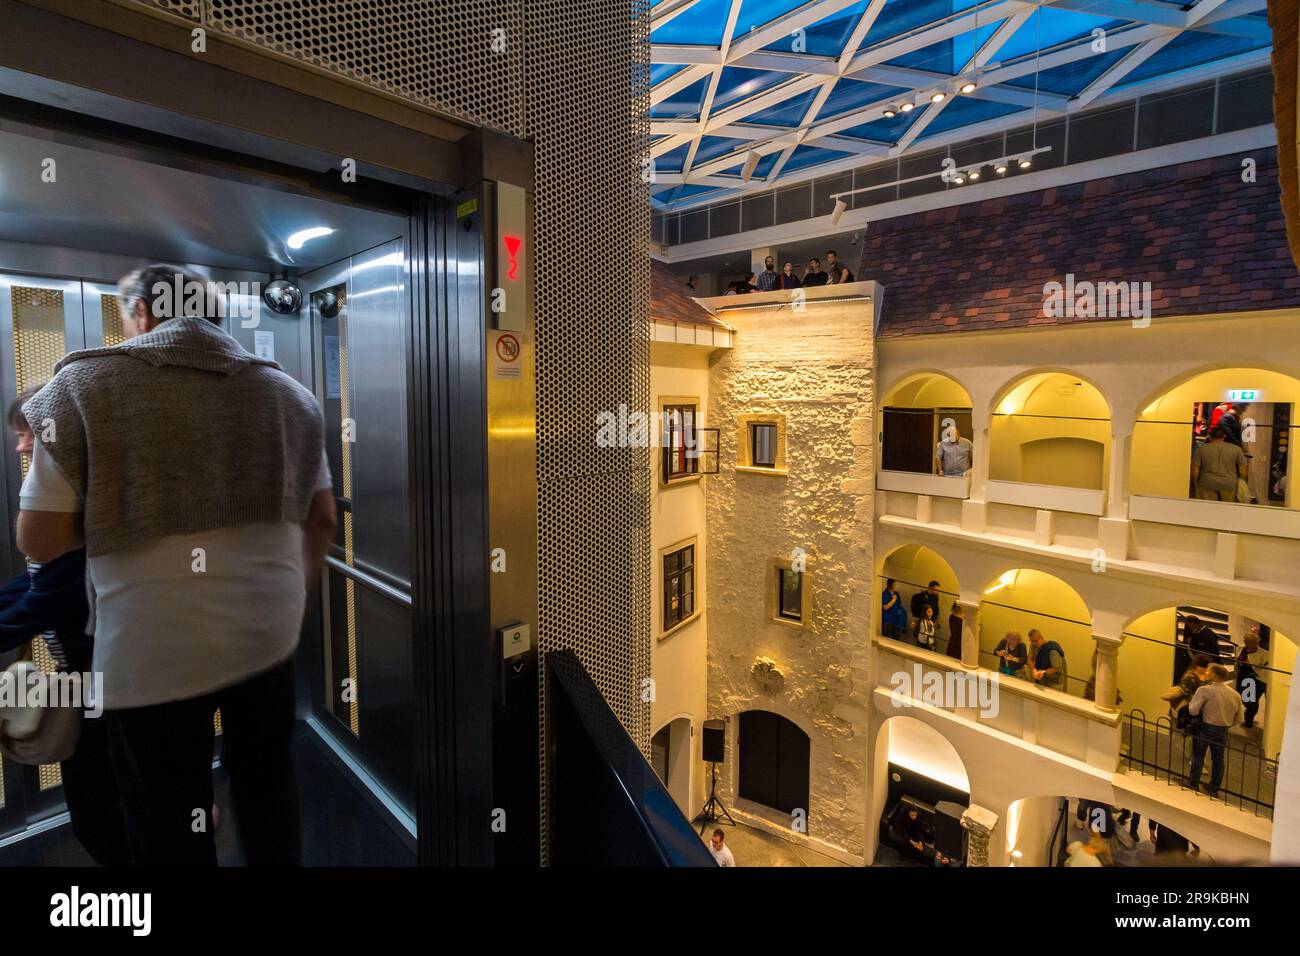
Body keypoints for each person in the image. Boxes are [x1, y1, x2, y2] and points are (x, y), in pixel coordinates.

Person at [17, 264, 337, 867]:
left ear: (141, 313)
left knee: (169, 820)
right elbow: (321, 520)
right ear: (213, 313)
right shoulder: (292, 396)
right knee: (268, 788)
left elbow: (39, 540)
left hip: (150, 656)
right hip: (266, 640)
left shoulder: (82, 387)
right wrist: (291, 608)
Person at [0, 386, 130, 867]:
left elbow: (47, 597)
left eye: (27, 434)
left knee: (98, 811)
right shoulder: (68, 497)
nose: (19, 447)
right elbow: (37, 585)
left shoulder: (76, 503)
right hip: (95, 674)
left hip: (102, 680)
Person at [1186, 664, 1243, 796]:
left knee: (1198, 755)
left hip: (1205, 727)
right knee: (1218, 759)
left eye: (1208, 672)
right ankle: (1214, 788)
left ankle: (1193, 782)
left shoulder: (1205, 690)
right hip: (1223, 730)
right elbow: (1239, 718)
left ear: (1213, 675)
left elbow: (1193, 710)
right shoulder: (1235, 695)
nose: (1206, 673)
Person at [1191, 426, 1247, 501]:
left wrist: (1196, 484)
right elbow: (1243, 471)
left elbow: (1195, 472)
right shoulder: (1236, 449)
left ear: (1210, 437)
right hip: (1228, 484)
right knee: (1227, 509)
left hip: (1207, 483)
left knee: (1207, 509)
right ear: (1224, 436)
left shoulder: (1201, 449)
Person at [1236, 626, 1268, 730]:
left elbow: (1265, 669)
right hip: (1243, 678)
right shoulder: (1240, 648)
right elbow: (1237, 662)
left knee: (1253, 702)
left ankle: (1249, 719)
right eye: (1247, 643)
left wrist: (1250, 664)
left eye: (1252, 644)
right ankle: (1249, 714)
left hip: (1257, 679)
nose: (1249, 646)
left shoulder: (1264, 653)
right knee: (1246, 699)